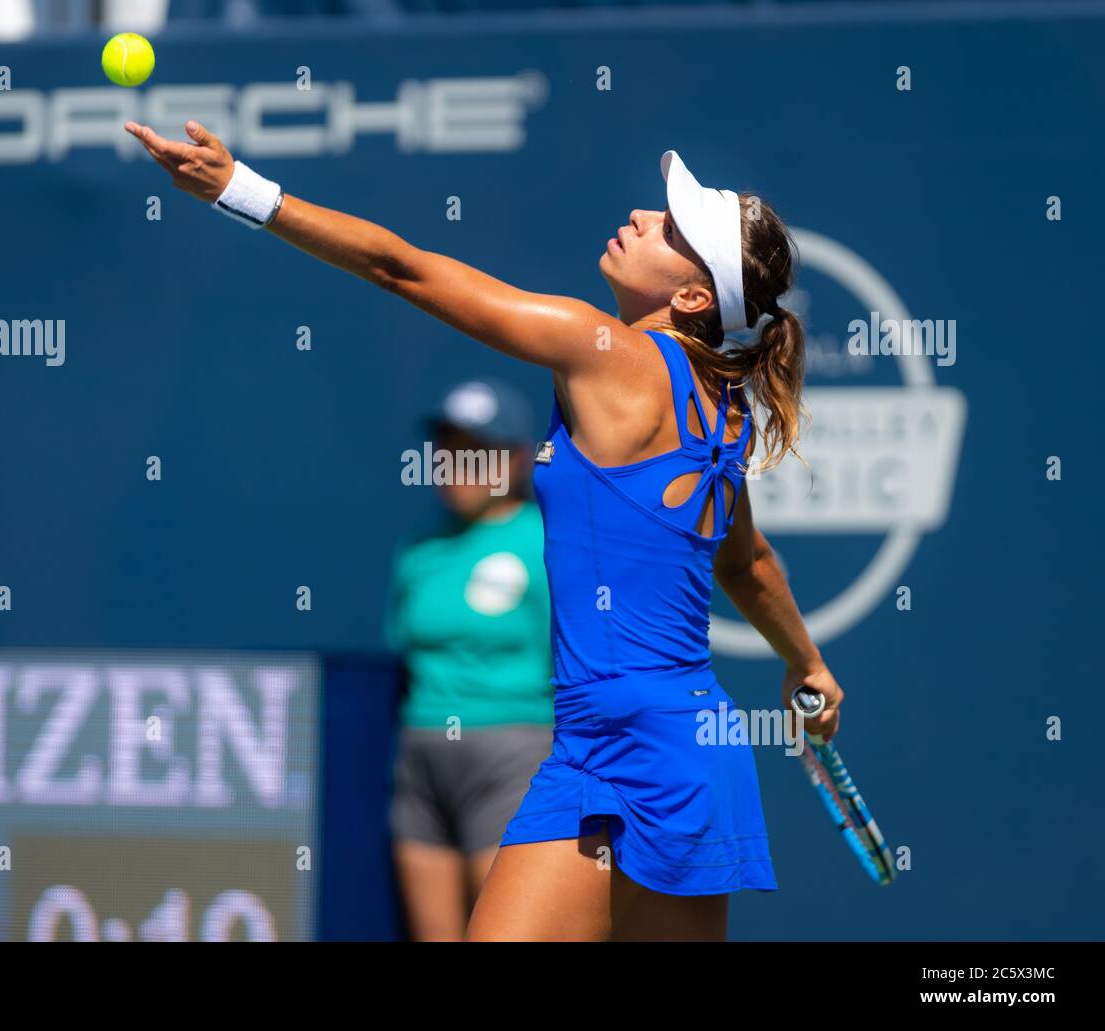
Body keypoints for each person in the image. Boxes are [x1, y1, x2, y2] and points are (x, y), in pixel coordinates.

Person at [126, 118, 844, 942]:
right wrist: (807, 660)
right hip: (683, 749)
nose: (644, 217)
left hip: (638, 747)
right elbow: (747, 563)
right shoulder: (724, 411)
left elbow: (402, 270)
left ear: (690, 295)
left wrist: (239, 190)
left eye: (672, 230)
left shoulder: (600, 347)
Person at [385, 378, 554, 941]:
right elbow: (403, 655)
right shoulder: (418, 551)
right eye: (448, 451)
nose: (457, 466)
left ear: (517, 460)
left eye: (476, 453)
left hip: (512, 757)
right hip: (422, 760)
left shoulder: (549, 542)